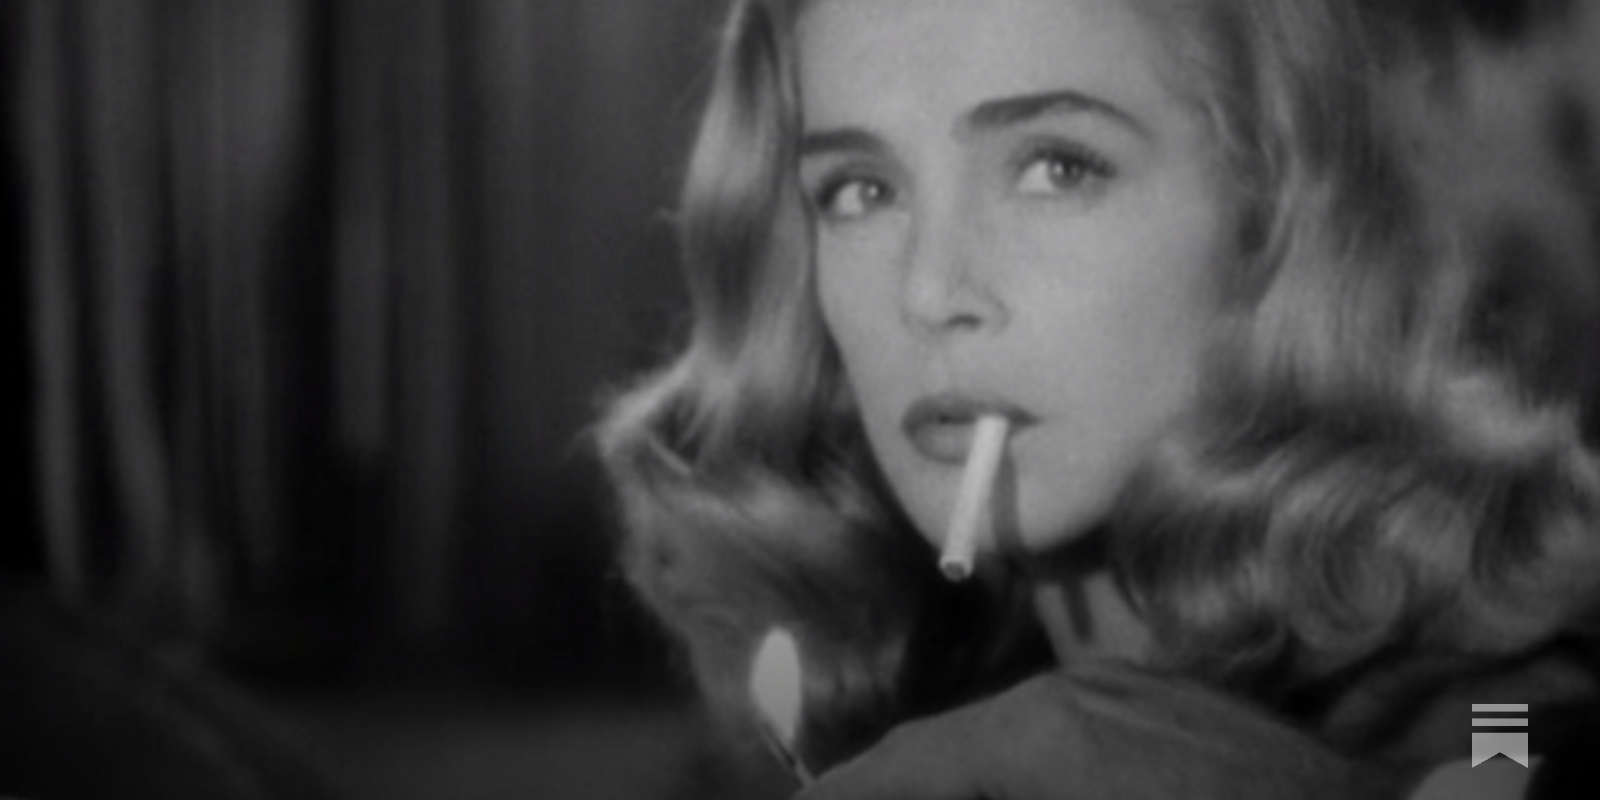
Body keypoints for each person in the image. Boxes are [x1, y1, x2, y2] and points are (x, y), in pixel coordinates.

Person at [596, 0, 1600, 796]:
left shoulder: (1496, 674)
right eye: (860, 190)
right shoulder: (861, 675)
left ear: (1268, 216)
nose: (928, 292)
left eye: (1055, 167)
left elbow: (1510, 744)